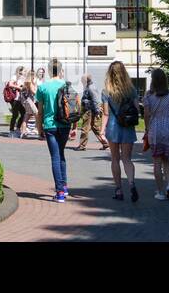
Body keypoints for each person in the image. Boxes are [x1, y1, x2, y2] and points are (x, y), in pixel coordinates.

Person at [143, 67, 169, 201]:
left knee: (156, 161)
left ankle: (160, 192)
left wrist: (147, 129)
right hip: (168, 128)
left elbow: (147, 115)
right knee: (166, 158)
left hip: (155, 129)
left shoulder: (148, 97)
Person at [101, 60, 139, 202]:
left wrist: (101, 130)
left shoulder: (106, 91)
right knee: (127, 159)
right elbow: (136, 110)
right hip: (128, 126)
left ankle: (118, 190)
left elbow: (105, 113)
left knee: (115, 158)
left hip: (113, 126)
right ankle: (132, 184)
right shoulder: (131, 90)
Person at [36, 58, 70, 202]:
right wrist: (74, 126)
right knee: (61, 155)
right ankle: (65, 186)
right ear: (61, 70)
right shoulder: (66, 85)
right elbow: (74, 106)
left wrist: (39, 129)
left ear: (49, 71)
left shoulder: (43, 87)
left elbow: (40, 111)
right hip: (65, 124)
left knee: (55, 157)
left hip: (50, 125)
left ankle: (60, 192)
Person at [77, 74, 108, 150]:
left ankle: (82, 145)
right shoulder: (89, 86)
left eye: (82, 80)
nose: (81, 82)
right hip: (91, 109)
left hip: (89, 110)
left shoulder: (91, 87)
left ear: (86, 80)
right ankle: (105, 143)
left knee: (85, 127)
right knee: (95, 127)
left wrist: (97, 112)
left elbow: (95, 100)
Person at [7, 66, 26, 137]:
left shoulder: (23, 78)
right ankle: (11, 131)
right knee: (15, 115)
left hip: (21, 99)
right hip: (15, 99)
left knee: (23, 114)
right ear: (20, 71)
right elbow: (10, 84)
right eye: (24, 71)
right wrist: (19, 87)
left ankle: (18, 129)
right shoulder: (15, 77)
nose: (25, 72)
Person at [21, 71, 40, 139]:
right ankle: (39, 131)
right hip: (29, 101)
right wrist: (40, 95)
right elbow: (33, 92)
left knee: (27, 116)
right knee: (37, 114)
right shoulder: (29, 83)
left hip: (26, 101)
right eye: (34, 76)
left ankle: (23, 132)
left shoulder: (26, 82)